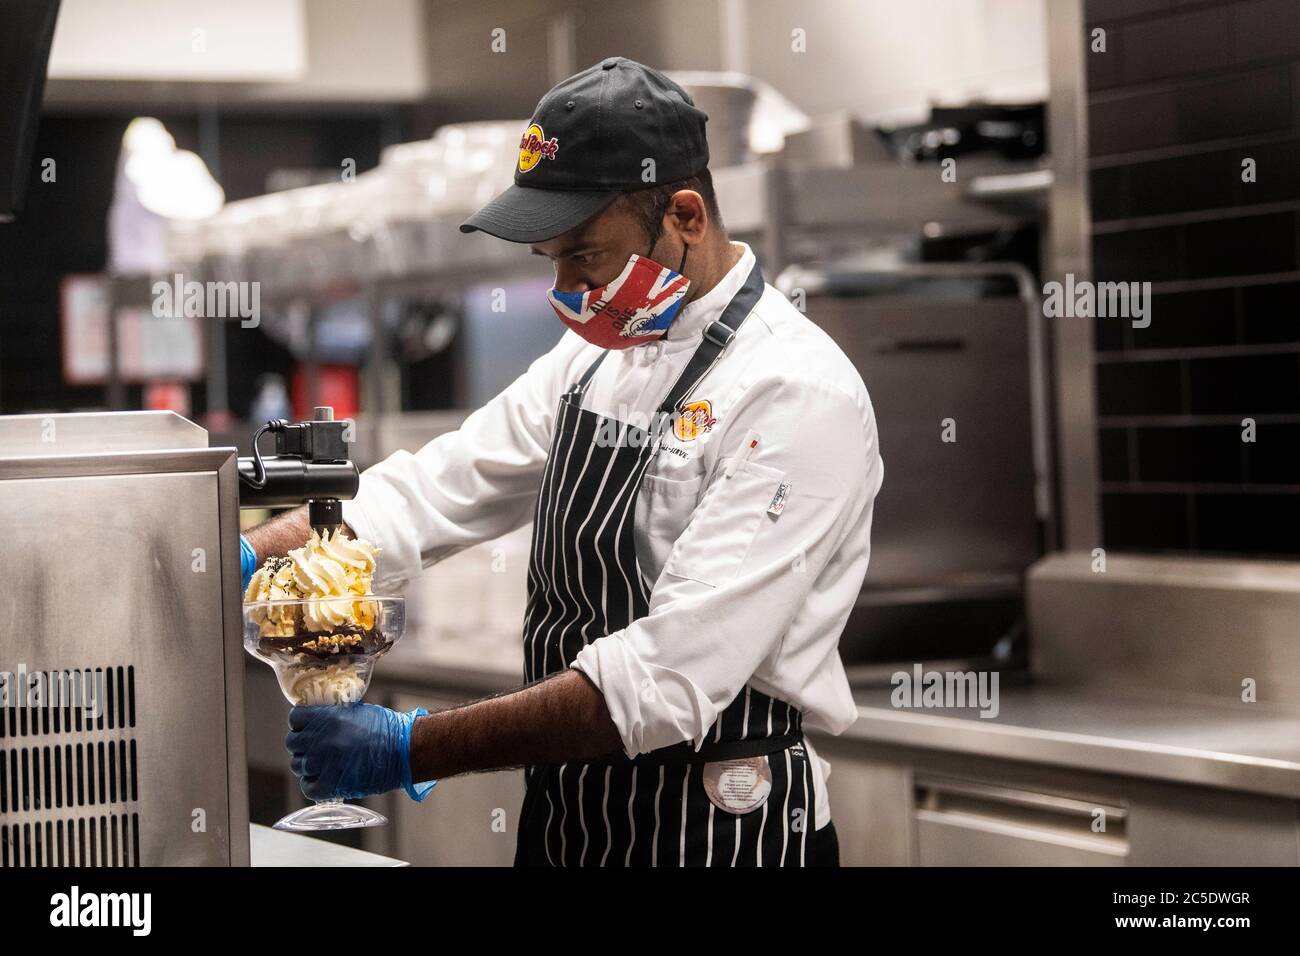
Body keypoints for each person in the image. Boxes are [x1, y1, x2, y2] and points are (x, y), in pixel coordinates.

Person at [243, 56, 883, 867]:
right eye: (550, 260)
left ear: (684, 214)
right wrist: (251, 554)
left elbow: (665, 678)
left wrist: (414, 747)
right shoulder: (595, 361)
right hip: (572, 823)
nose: (569, 290)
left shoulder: (793, 390)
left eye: (585, 255)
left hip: (722, 834)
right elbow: (441, 487)